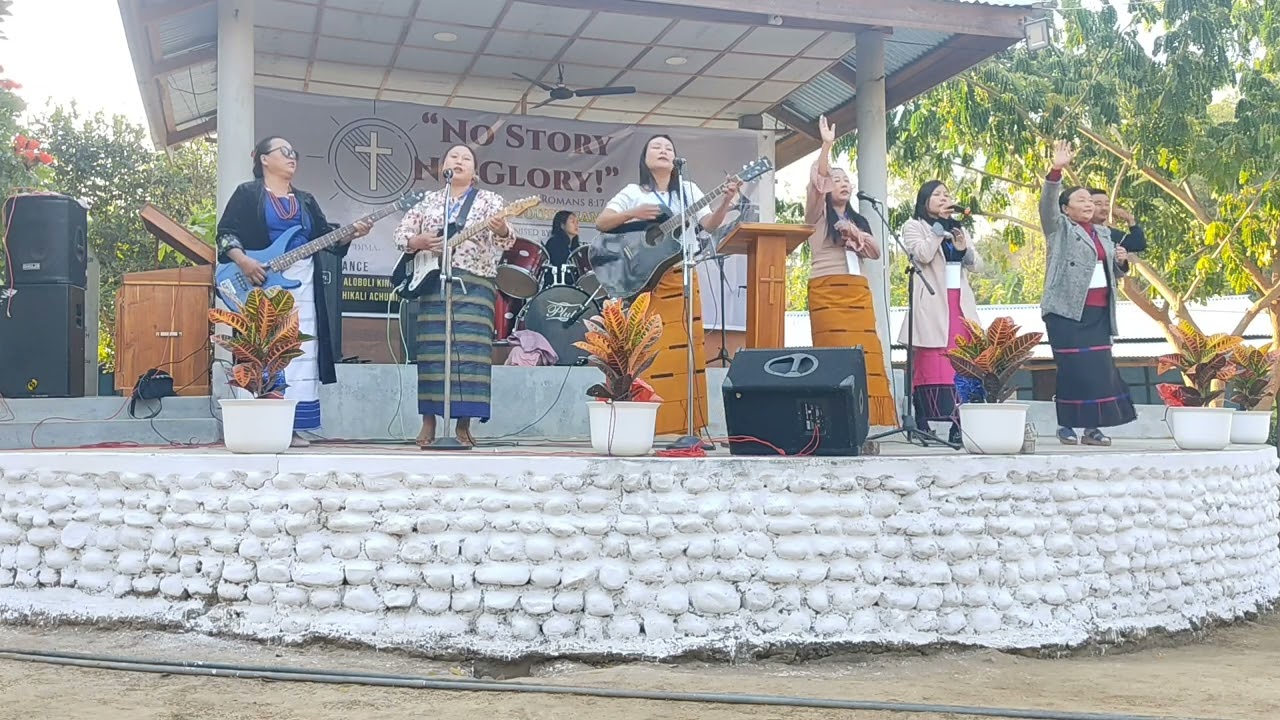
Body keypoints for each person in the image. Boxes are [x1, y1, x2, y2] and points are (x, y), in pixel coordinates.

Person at [216, 136, 371, 448]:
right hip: (262, 284)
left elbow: (326, 238)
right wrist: (245, 261)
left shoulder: (306, 200)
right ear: (263, 158)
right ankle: (260, 423)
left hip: (303, 284)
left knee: (300, 352)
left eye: (295, 153)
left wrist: (350, 234)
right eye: (284, 152)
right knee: (265, 349)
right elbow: (225, 234)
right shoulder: (248, 193)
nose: (292, 157)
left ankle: (294, 426)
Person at [594, 134, 740, 436]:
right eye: (656, 147)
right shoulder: (633, 191)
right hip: (646, 285)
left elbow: (708, 224)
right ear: (645, 159)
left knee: (689, 354)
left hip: (682, 275)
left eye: (669, 148)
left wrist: (726, 201)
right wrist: (632, 214)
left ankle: (691, 428)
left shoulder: (688, 190)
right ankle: (651, 428)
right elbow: (602, 222)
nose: (663, 151)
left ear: (676, 160)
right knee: (652, 354)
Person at [392, 144, 515, 448]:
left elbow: (508, 241)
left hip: (474, 283)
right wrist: (417, 241)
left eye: (466, 159)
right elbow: (400, 234)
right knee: (433, 354)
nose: (459, 161)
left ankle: (463, 424)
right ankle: (429, 421)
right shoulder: (429, 201)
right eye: (453, 157)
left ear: (475, 170)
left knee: (470, 354)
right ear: (443, 165)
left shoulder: (489, 201)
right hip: (432, 282)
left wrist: (500, 229)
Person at [1041, 141, 1137, 445]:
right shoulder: (1059, 229)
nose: (1088, 204)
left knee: (1099, 372)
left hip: (1098, 314)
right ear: (1066, 209)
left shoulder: (1104, 234)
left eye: (1090, 201)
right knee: (1072, 369)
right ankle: (1066, 424)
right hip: (1067, 313)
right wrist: (1056, 169)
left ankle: (1093, 429)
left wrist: (1121, 263)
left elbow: (1112, 273)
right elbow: (1046, 204)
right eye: (1080, 200)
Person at [804, 115, 897, 429]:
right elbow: (816, 181)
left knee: (866, 354)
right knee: (836, 353)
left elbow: (875, 253)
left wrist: (858, 236)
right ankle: (835, 419)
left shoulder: (860, 219)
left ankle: (874, 418)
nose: (843, 183)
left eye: (846, 180)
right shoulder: (817, 214)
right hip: (827, 290)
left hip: (857, 291)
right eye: (836, 179)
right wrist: (826, 146)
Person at [898, 179, 983, 445]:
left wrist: (963, 249)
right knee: (934, 362)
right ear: (925, 200)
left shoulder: (958, 228)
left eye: (947, 194)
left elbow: (977, 265)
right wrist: (937, 232)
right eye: (938, 195)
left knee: (962, 363)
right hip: (934, 303)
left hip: (959, 302)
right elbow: (921, 255)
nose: (945, 198)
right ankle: (924, 422)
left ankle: (960, 425)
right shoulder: (914, 226)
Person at [1088, 189, 1147, 253]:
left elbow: (1138, 244)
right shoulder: (1078, 231)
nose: (1104, 208)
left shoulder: (1110, 233)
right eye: (1098, 204)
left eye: (1107, 204)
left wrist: (1130, 220)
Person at [543, 210, 581, 286]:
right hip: (555, 287)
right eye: (572, 222)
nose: (576, 225)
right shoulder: (554, 243)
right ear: (562, 225)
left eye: (577, 222)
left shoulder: (576, 247)